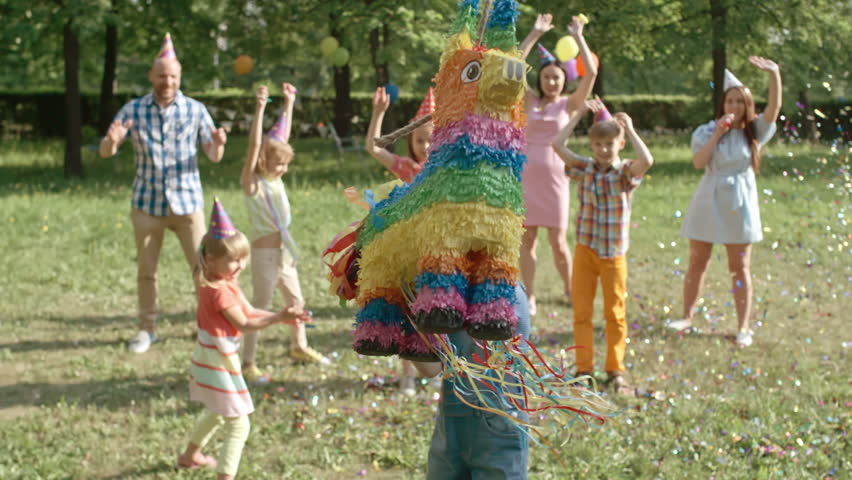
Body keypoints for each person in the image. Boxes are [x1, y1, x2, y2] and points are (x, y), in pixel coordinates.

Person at [98, 33, 228, 354]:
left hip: (187, 204)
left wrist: (219, 144)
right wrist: (112, 140)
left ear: (179, 77)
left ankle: (209, 325)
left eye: (172, 76)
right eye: (161, 75)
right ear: (151, 76)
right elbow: (105, 151)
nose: (166, 81)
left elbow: (213, 155)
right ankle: (147, 329)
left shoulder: (196, 110)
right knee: (147, 271)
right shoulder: (133, 109)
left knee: (204, 268)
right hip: (146, 205)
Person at [176, 199, 311, 479]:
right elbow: (245, 323)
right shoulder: (219, 290)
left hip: (214, 357)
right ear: (211, 259)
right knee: (239, 424)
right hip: (217, 360)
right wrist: (277, 318)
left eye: (243, 258)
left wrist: (281, 315)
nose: (240, 265)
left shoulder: (221, 281)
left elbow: (248, 311)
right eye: (233, 259)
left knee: (216, 411)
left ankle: (189, 456)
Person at [669, 57, 782, 347]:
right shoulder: (706, 131)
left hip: (740, 202)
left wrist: (774, 75)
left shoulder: (754, 133)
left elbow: (774, 108)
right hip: (710, 197)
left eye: (740, 102)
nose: (734, 107)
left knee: (740, 266)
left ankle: (743, 326)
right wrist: (718, 133)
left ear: (747, 106)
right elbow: (698, 162)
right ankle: (687, 316)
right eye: (730, 101)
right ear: (723, 104)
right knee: (697, 260)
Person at [552, 99, 654, 394]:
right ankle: (584, 367)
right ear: (592, 145)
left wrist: (631, 130)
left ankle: (615, 368)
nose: (603, 149)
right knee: (582, 312)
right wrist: (579, 114)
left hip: (613, 255)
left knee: (615, 313)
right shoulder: (584, 167)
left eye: (610, 144)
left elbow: (646, 161)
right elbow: (558, 145)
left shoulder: (623, 173)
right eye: (598, 144)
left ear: (619, 144)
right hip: (586, 250)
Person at [239, 83, 329, 384]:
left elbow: (282, 138)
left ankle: (299, 346)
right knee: (260, 309)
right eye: (278, 163)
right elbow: (255, 147)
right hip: (264, 256)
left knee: (297, 301)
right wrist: (261, 107)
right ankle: (247, 362)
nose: (283, 169)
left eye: (286, 164)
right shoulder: (253, 184)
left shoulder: (276, 178)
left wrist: (289, 102)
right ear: (264, 161)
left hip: (284, 255)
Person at [516, 14, 598, 316]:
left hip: (556, 180)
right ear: (540, 79)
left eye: (557, 77)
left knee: (559, 241)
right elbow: (514, 66)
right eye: (547, 77)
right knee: (528, 240)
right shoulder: (529, 102)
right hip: (527, 179)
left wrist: (578, 36)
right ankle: (531, 295)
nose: (551, 81)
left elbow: (590, 74)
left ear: (564, 80)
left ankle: (570, 288)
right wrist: (535, 33)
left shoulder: (569, 104)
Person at [361, 86, 436, 396]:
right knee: (408, 311)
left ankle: (438, 368)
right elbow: (373, 148)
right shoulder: (406, 167)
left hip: (437, 253)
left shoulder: (448, 169)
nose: (427, 146)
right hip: (407, 253)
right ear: (411, 141)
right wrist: (378, 113)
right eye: (420, 140)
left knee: (434, 311)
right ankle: (407, 374)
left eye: (433, 139)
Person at [411, 284, 531, 479]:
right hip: (451, 423)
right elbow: (430, 369)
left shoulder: (508, 295)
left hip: (498, 426)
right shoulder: (444, 293)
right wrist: (409, 314)